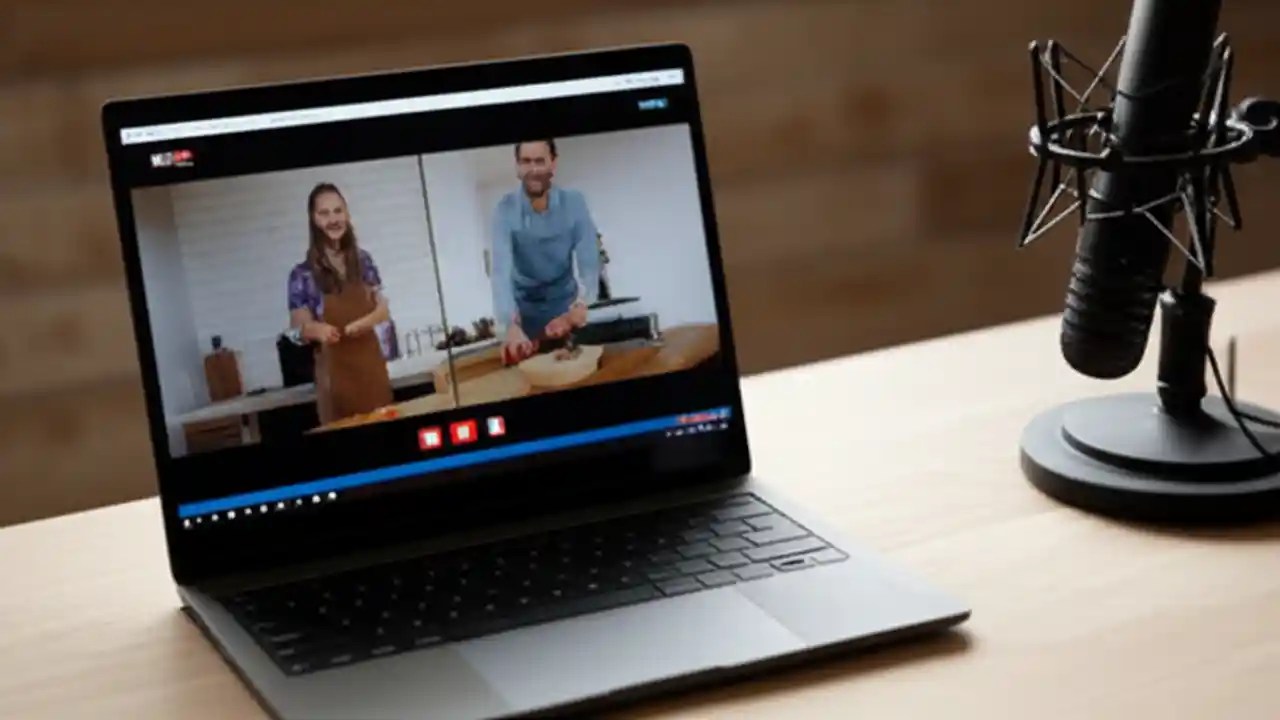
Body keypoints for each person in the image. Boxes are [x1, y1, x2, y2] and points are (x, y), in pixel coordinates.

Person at [287, 182, 394, 424]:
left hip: (373, 375)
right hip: (335, 383)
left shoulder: (363, 261)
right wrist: (317, 330)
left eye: (338, 211)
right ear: (313, 220)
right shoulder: (302, 275)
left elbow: (383, 309)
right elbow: (296, 328)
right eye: (324, 213)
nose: (333, 219)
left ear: (347, 214)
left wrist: (364, 324)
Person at [490, 139, 601, 363]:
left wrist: (577, 310)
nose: (533, 169)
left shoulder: (575, 203)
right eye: (526, 161)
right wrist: (510, 325)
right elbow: (501, 270)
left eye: (540, 161)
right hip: (524, 319)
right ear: (517, 166)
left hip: (566, 311)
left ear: (553, 163)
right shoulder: (504, 210)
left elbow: (588, 262)